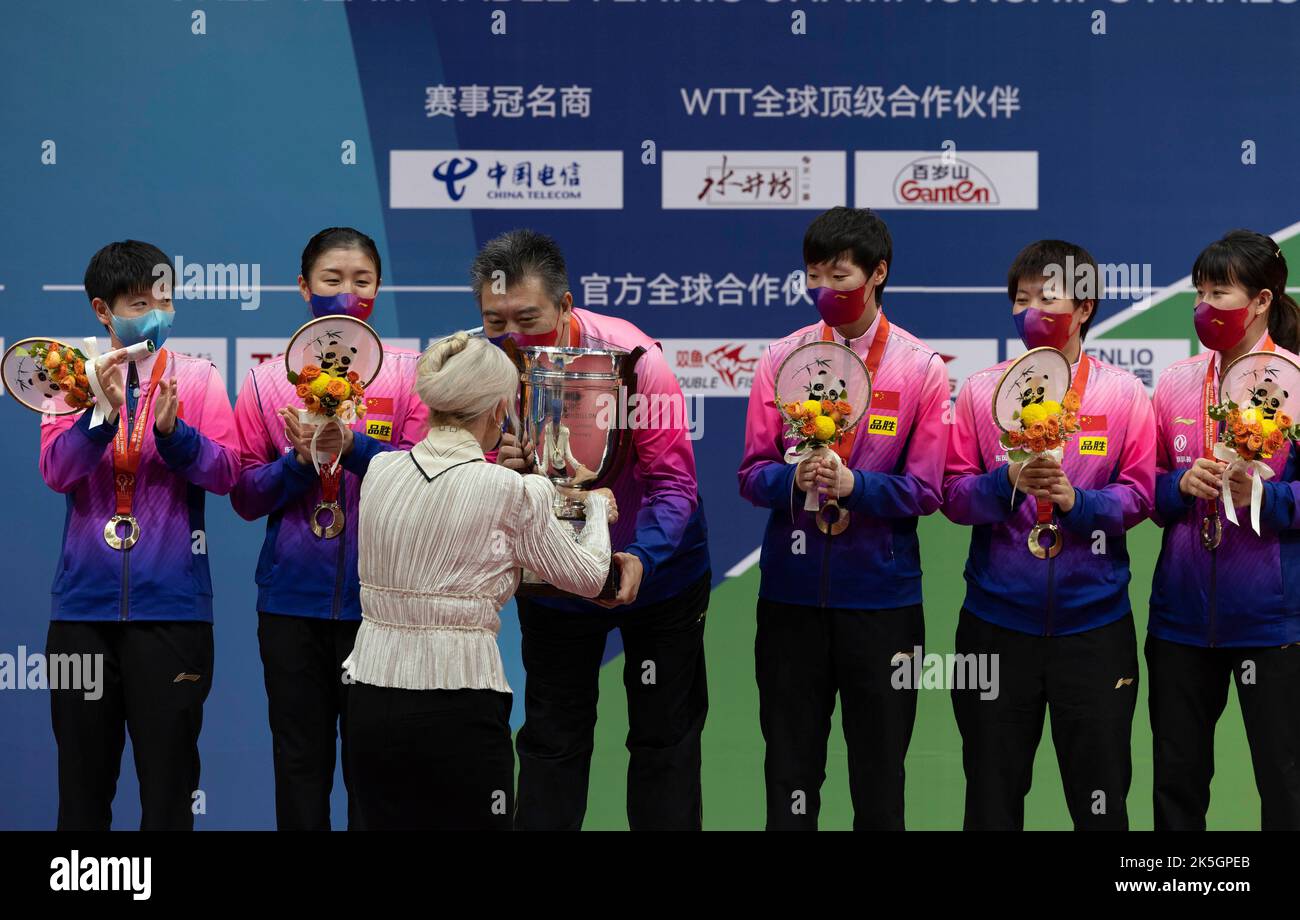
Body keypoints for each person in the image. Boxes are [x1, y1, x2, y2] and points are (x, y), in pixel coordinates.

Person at [479, 228, 711, 830]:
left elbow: (674, 485)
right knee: (553, 742)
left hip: (657, 573)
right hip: (555, 579)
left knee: (665, 741)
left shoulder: (636, 361)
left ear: (565, 306)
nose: (510, 336)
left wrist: (641, 557)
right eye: (493, 321)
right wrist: (504, 476)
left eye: (527, 318)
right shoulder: (478, 372)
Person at [342, 333, 615, 830]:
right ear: (495, 408)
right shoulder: (510, 489)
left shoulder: (379, 469)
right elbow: (591, 576)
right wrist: (594, 509)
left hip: (369, 699)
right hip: (459, 706)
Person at [738, 206, 949, 830]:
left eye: (839, 275)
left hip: (881, 605)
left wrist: (856, 485)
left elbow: (929, 490)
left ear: (877, 273)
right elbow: (751, 475)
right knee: (790, 770)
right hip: (791, 600)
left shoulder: (920, 368)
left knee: (880, 772)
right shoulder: (782, 358)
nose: (824, 289)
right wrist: (791, 479)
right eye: (814, 276)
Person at [942, 239, 1155, 830]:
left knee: (1101, 802)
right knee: (990, 798)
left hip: (1094, 629)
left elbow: (1139, 498)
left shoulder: (1123, 395)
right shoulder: (983, 392)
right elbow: (953, 497)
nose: (1031, 308)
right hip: (994, 627)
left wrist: (1076, 502)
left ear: (1084, 307)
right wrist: (1005, 481)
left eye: (1047, 296)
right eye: (1021, 297)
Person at [230, 227, 427, 830]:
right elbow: (243, 494)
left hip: (384, 607)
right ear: (303, 287)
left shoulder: (411, 374)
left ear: (379, 287)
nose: (348, 293)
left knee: (378, 770)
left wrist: (355, 447)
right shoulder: (266, 383)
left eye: (362, 281)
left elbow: (427, 482)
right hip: (291, 607)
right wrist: (296, 463)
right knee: (299, 763)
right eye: (331, 280)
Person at [41, 239, 240, 830]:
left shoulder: (197, 378)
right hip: (82, 616)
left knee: (169, 792)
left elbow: (227, 474)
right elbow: (57, 472)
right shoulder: (67, 380)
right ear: (104, 311)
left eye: (165, 299)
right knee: (81, 790)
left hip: (173, 615)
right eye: (138, 301)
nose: (156, 312)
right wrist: (100, 418)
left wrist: (177, 436)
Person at [1148, 229, 1300, 830]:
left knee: (1285, 786)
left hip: (1273, 623)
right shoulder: (1176, 382)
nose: (1204, 306)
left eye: (1220, 292)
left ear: (1261, 300)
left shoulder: (1298, 381)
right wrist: (1178, 487)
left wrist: (1270, 496)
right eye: (1199, 292)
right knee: (1177, 783)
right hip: (1181, 622)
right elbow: (1144, 490)